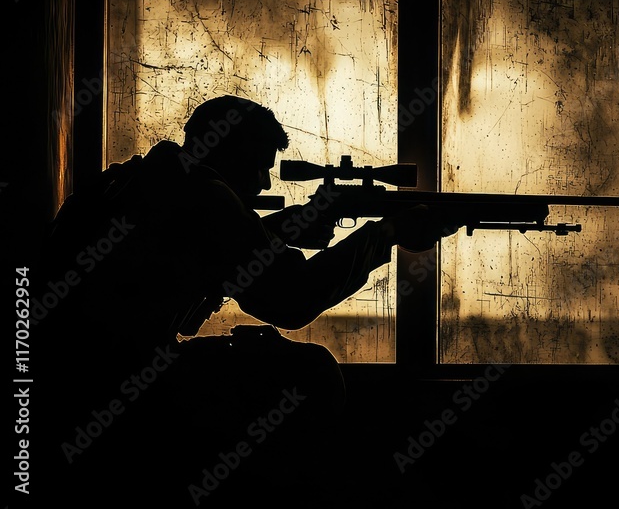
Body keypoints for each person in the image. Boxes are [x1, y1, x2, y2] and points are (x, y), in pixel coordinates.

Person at [33, 95, 457, 506]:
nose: (265, 181)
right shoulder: (206, 196)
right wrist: (385, 234)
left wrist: (288, 227)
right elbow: (290, 299)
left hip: (71, 377)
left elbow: (204, 250)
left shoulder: (145, 178)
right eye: (260, 166)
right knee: (312, 375)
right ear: (232, 151)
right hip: (108, 387)